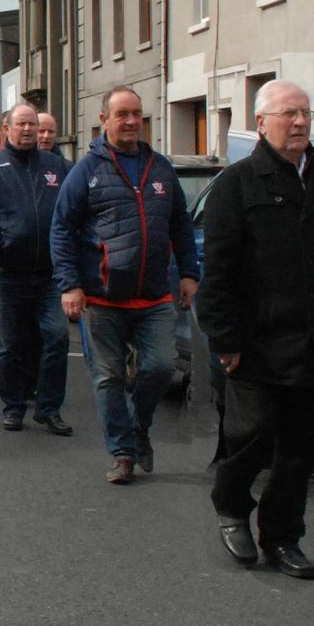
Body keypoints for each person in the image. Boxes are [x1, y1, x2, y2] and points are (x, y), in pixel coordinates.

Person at [197, 80, 314, 580]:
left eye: (305, 113)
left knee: (299, 450)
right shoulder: (237, 183)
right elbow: (219, 268)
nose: (300, 122)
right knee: (251, 437)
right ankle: (232, 506)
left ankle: (282, 538)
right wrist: (225, 339)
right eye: (288, 114)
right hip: (256, 340)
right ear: (260, 122)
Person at [51, 85, 199, 484]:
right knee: (108, 377)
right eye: (122, 114)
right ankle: (122, 453)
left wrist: (188, 273)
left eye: (136, 113)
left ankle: (138, 428)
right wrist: (70, 285)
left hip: (154, 296)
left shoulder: (161, 167)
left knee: (160, 367)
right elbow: (62, 229)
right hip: (102, 298)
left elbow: (181, 225)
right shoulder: (87, 170)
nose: (131, 120)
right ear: (104, 121)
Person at [0, 104, 72, 435]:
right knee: (10, 345)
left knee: (57, 337)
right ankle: (13, 407)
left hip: (50, 275)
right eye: (21, 124)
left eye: (33, 125)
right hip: (6, 273)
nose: (28, 130)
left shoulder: (57, 167)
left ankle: (48, 408)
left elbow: (72, 215)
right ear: (5, 129)